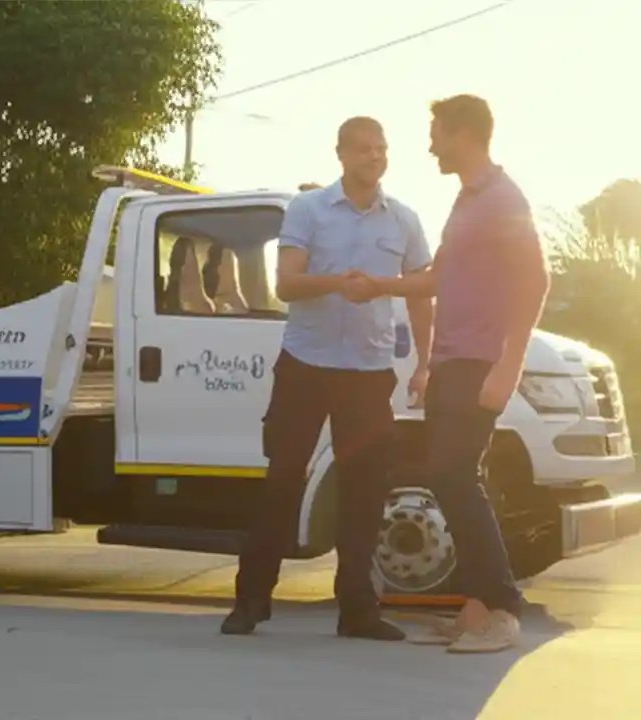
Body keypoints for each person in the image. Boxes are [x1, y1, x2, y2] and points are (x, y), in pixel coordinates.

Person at [221, 116, 435, 640]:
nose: (375, 157)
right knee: (282, 481)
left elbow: (422, 288)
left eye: (381, 148)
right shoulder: (308, 209)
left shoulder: (403, 220)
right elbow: (287, 284)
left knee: (363, 492)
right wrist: (341, 283)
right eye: (364, 149)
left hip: (367, 375)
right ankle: (250, 601)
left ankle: (358, 611)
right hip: (306, 367)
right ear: (340, 154)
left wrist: (425, 363)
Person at [365, 94, 549, 653]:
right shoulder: (467, 201)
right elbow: (435, 279)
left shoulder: (502, 198)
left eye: (437, 134)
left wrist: (509, 365)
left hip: (479, 365)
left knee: (451, 476)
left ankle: (503, 609)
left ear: (463, 134)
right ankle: (475, 610)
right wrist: (378, 285)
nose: (430, 146)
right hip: (449, 363)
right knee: (454, 478)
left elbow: (536, 281)